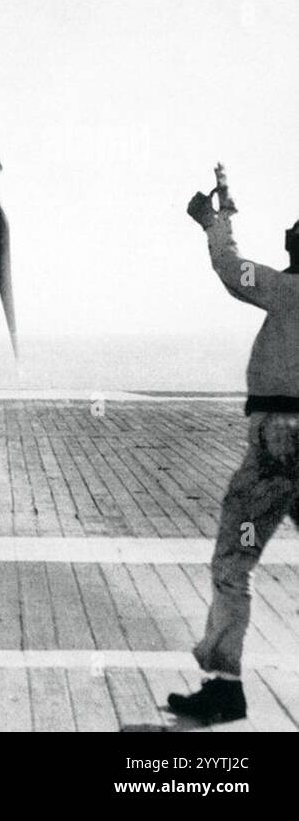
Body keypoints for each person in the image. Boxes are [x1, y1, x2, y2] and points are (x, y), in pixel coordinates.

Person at [169, 164, 299, 725]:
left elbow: (232, 270)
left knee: (234, 560)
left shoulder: (288, 291)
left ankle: (224, 686)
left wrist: (216, 219)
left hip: (278, 445)